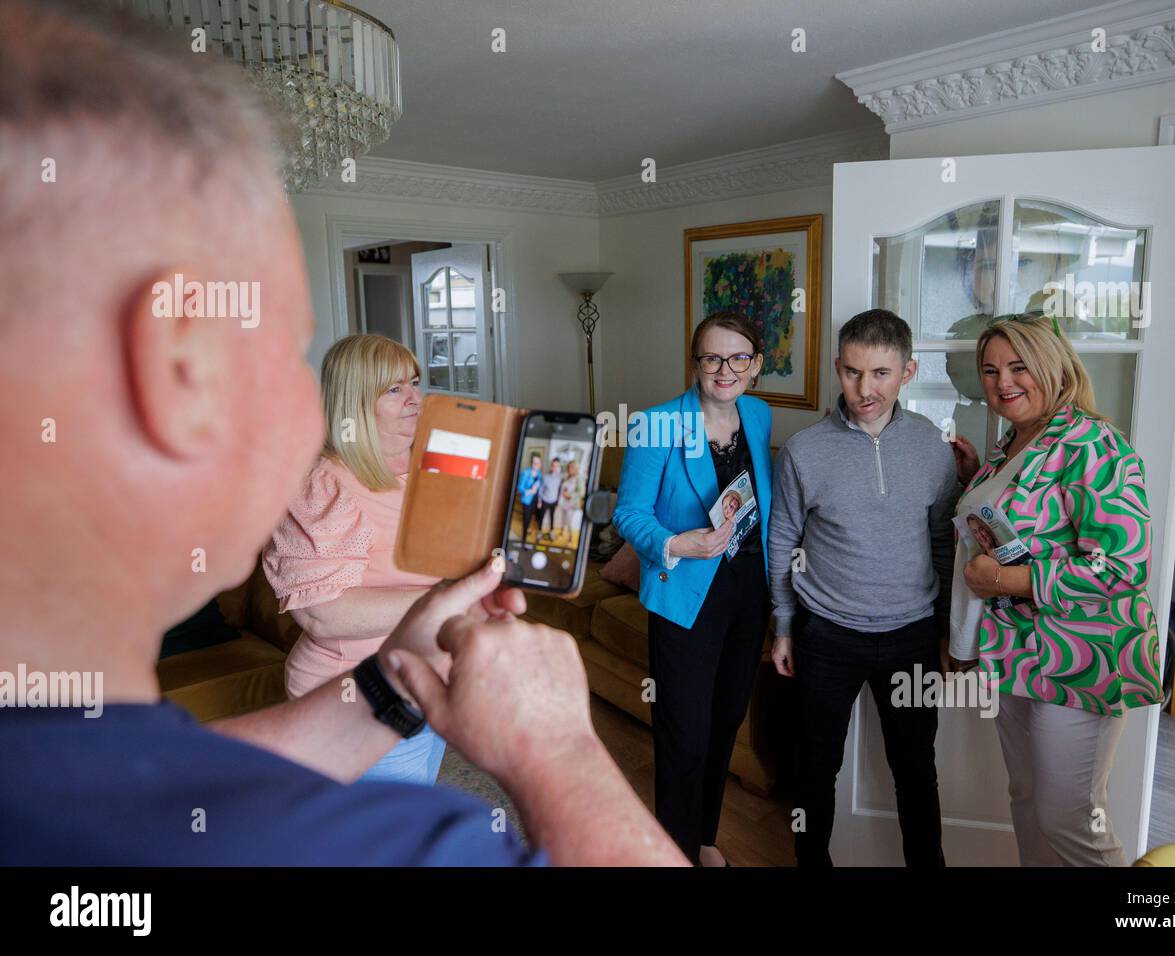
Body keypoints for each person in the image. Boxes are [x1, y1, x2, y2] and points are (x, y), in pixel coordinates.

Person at [0, 0, 684, 867]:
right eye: (285, 352)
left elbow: (165, 782)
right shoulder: (381, 847)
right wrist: (558, 748)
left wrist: (381, 692)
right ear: (178, 371)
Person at [948, 314, 1162, 867]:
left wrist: (1006, 580)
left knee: (1068, 820)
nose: (1003, 383)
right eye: (991, 370)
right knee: (1028, 804)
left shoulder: (1093, 443)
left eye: (1020, 367)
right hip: (1020, 655)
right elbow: (1020, 519)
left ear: (1052, 365)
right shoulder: (1011, 444)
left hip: (1084, 659)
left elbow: (1122, 566)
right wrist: (973, 476)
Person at [767, 309, 961, 868]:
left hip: (912, 634)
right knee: (813, 770)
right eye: (852, 372)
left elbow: (944, 543)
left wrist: (947, 629)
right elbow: (783, 539)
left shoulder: (931, 446)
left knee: (915, 771)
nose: (864, 389)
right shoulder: (805, 450)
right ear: (837, 368)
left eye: (880, 373)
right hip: (826, 634)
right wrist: (783, 624)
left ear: (907, 371)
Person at [613, 311, 772, 867]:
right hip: (686, 595)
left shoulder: (758, 414)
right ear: (695, 363)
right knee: (684, 733)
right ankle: (673, 852)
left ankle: (702, 839)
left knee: (726, 720)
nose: (724, 370)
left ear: (756, 365)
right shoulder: (656, 424)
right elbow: (627, 514)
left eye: (737, 358)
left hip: (750, 592)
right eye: (711, 358)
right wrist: (679, 543)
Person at [262, 334, 447, 786]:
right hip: (354, 700)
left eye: (414, 383)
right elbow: (325, 614)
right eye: (393, 389)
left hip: (425, 684)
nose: (414, 399)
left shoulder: (426, 469)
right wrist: (446, 599)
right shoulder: (324, 486)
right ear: (356, 401)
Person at [556, 460, 585, 548]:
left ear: (576, 468)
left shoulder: (579, 478)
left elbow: (581, 493)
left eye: (571, 467)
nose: (569, 469)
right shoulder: (567, 476)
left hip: (572, 505)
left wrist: (570, 495)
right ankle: (561, 534)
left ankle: (570, 539)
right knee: (563, 520)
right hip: (564, 503)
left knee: (569, 523)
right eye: (568, 467)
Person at [517, 453, 544, 543]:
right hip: (527, 499)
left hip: (535, 499)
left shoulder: (539, 474)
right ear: (531, 463)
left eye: (538, 463)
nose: (536, 465)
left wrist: (539, 500)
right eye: (534, 462)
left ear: (540, 464)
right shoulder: (526, 472)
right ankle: (523, 539)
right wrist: (529, 491)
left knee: (533, 516)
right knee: (526, 518)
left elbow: (539, 487)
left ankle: (528, 528)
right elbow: (520, 487)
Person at [539, 457, 564, 541]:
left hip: (554, 501)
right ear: (551, 466)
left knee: (552, 517)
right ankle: (540, 532)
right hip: (545, 500)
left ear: (558, 467)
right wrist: (540, 500)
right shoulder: (545, 476)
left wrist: (558, 501)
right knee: (541, 517)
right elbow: (541, 489)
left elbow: (560, 491)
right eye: (553, 465)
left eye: (557, 466)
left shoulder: (560, 478)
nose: (555, 468)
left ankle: (551, 532)